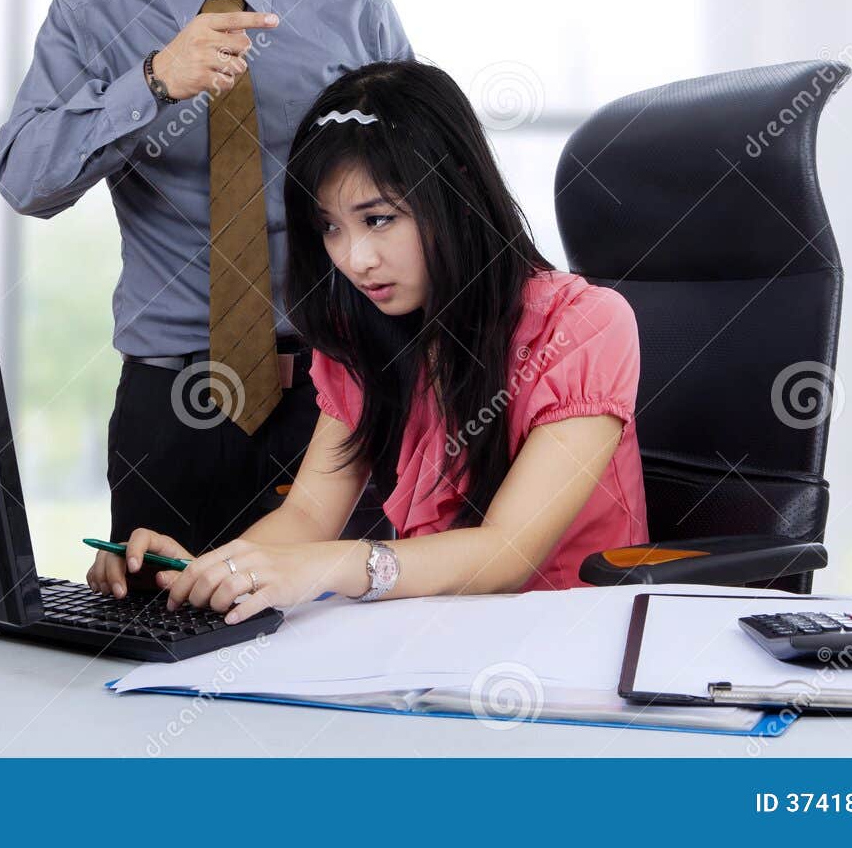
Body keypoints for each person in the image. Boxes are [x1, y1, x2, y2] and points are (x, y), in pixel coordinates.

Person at [0, 0, 412, 556]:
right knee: (154, 636)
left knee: (341, 640)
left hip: (343, 388)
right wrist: (153, 78)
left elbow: (430, 199)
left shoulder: (355, 12)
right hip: (172, 404)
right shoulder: (87, 22)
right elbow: (26, 179)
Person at [88, 61, 649, 622]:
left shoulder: (584, 326)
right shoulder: (364, 332)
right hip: (427, 640)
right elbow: (308, 515)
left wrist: (329, 568)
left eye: (378, 219)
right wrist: (208, 572)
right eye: (330, 226)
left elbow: (505, 553)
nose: (355, 259)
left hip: (566, 644)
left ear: (456, 191)